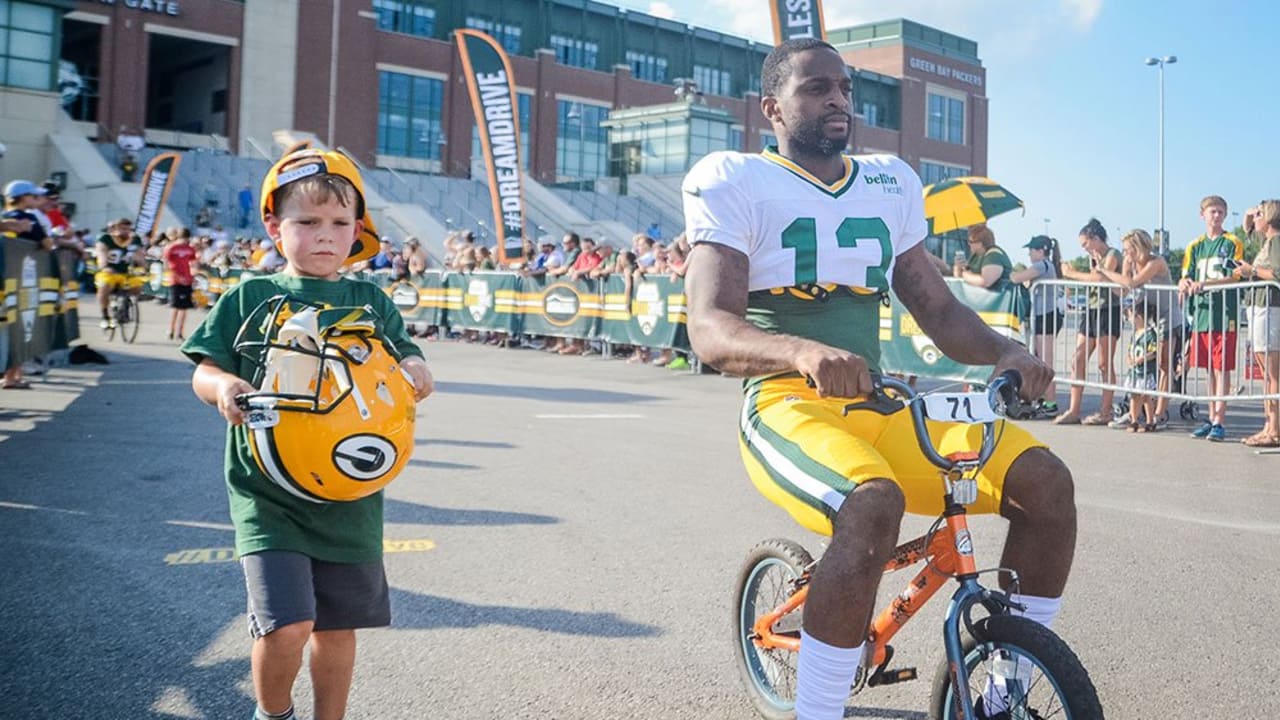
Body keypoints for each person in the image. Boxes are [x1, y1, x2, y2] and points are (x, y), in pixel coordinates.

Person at [682, 38, 1072, 720]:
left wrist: (1007, 350)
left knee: (1045, 482)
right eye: (816, 88)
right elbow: (710, 328)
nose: (837, 99)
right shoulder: (735, 179)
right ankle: (819, 711)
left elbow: (941, 310)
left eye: (845, 88)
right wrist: (801, 354)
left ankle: (1006, 683)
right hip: (784, 404)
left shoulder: (889, 180)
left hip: (875, 401)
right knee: (872, 504)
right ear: (772, 108)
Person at [181, 149, 434, 720]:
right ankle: (273, 715)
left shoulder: (370, 301)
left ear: (359, 230)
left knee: (339, 629)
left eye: (340, 224)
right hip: (268, 495)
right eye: (307, 222)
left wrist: (417, 366)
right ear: (274, 227)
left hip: (351, 493)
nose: (326, 236)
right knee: (287, 625)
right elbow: (204, 368)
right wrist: (222, 386)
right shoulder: (250, 298)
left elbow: (404, 355)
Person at [1179, 195, 1245, 442]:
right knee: (1208, 369)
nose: (1216, 216)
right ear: (1202, 215)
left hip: (1223, 313)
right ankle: (1210, 416)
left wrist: (1205, 284)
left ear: (1225, 215)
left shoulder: (1232, 242)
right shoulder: (1194, 246)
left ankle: (1220, 420)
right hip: (1202, 315)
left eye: (1220, 212)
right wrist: (1184, 282)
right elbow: (1185, 274)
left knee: (1222, 368)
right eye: (1212, 212)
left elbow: (1235, 276)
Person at [1099, 229, 1180, 429]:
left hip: (1167, 317)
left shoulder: (1156, 262)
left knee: (1163, 364)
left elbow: (1133, 282)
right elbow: (1124, 290)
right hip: (1147, 319)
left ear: (1138, 247)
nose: (1125, 254)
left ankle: (1159, 413)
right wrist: (1113, 277)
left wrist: (1105, 271)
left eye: (1128, 250)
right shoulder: (1130, 262)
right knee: (1139, 367)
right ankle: (1134, 413)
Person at [1054, 218, 1122, 426]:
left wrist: (1072, 273)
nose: (1084, 248)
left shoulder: (1113, 255)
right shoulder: (1095, 258)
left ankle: (1106, 410)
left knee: (1104, 363)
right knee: (1078, 358)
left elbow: (1100, 279)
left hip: (1108, 309)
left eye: (1085, 243)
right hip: (1091, 309)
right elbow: (1093, 277)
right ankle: (1073, 410)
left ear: (1095, 239)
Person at [1237, 200, 1280, 447]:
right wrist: (1250, 212)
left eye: (1260, 215)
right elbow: (1247, 227)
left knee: (1271, 374)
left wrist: (1251, 270)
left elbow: (1276, 273)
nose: (1255, 218)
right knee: (1267, 374)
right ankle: (1270, 425)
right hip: (1262, 307)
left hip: (1270, 308)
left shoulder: (1275, 242)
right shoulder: (1267, 241)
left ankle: (1273, 429)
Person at [3, 181, 50, 390]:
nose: (36, 200)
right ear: (23, 198)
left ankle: (13, 375)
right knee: (18, 329)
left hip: (9, 280)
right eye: (33, 196)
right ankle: (13, 376)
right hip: (22, 282)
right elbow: (48, 244)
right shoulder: (29, 218)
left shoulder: (5, 217)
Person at [1010, 235, 1063, 414]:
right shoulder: (1048, 266)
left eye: (1031, 251)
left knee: (1045, 361)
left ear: (1041, 251)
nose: (1029, 255)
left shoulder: (1042, 266)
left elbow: (1017, 278)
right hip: (1042, 315)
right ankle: (1042, 397)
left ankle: (1051, 401)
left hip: (1045, 315)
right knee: (1039, 358)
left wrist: (1008, 273)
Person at [94, 217, 146, 329]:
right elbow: (101, 254)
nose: (125, 231)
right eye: (122, 229)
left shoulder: (135, 240)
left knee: (137, 287)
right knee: (104, 287)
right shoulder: (105, 239)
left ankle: (125, 305)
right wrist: (104, 266)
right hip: (109, 271)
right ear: (115, 229)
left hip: (126, 273)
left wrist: (143, 268)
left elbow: (140, 256)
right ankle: (105, 316)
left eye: (128, 229)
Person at [1123, 298, 1160, 432]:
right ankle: (1134, 420)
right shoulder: (1135, 334)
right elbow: (1130, 348)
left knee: (1145, 396)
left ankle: (1150, 421)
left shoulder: (1150, 334)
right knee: (1134, 396)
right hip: (1135, 371)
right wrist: (1129, 358)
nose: (1130, 319)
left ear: (1139, 316)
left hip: (1146, 370)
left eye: (1131, 315)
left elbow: (1154, 351)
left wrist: (1143, 358)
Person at [163, 227, 199, 341]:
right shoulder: (171, 247)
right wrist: (177, 276)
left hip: (187, 279)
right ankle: (171, 329)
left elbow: (193, 263)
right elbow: (166, 264)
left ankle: (180, 331)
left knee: (184, 307)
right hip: (175, 280)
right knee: (175, 306)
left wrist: (193, 275)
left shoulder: (190, 249)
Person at [953, 224, 1012, 289]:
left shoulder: (994, 256)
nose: (968, 244)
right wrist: (958, 268)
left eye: (971, 242)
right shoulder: (975, 256)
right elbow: (961, 279)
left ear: (980, 243)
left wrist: (964, 274)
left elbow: (985, 282)